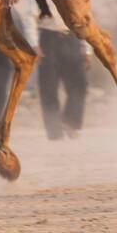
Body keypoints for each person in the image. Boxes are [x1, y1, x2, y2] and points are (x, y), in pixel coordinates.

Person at [38, 10, 89, 140]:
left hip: (72, 36)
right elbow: (28, 16)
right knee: (48, 87)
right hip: (48, 39)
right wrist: (33, 44)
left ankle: (71, 123)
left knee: (80, 84)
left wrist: (88, 49)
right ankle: (54, 132)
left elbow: (86, 17)